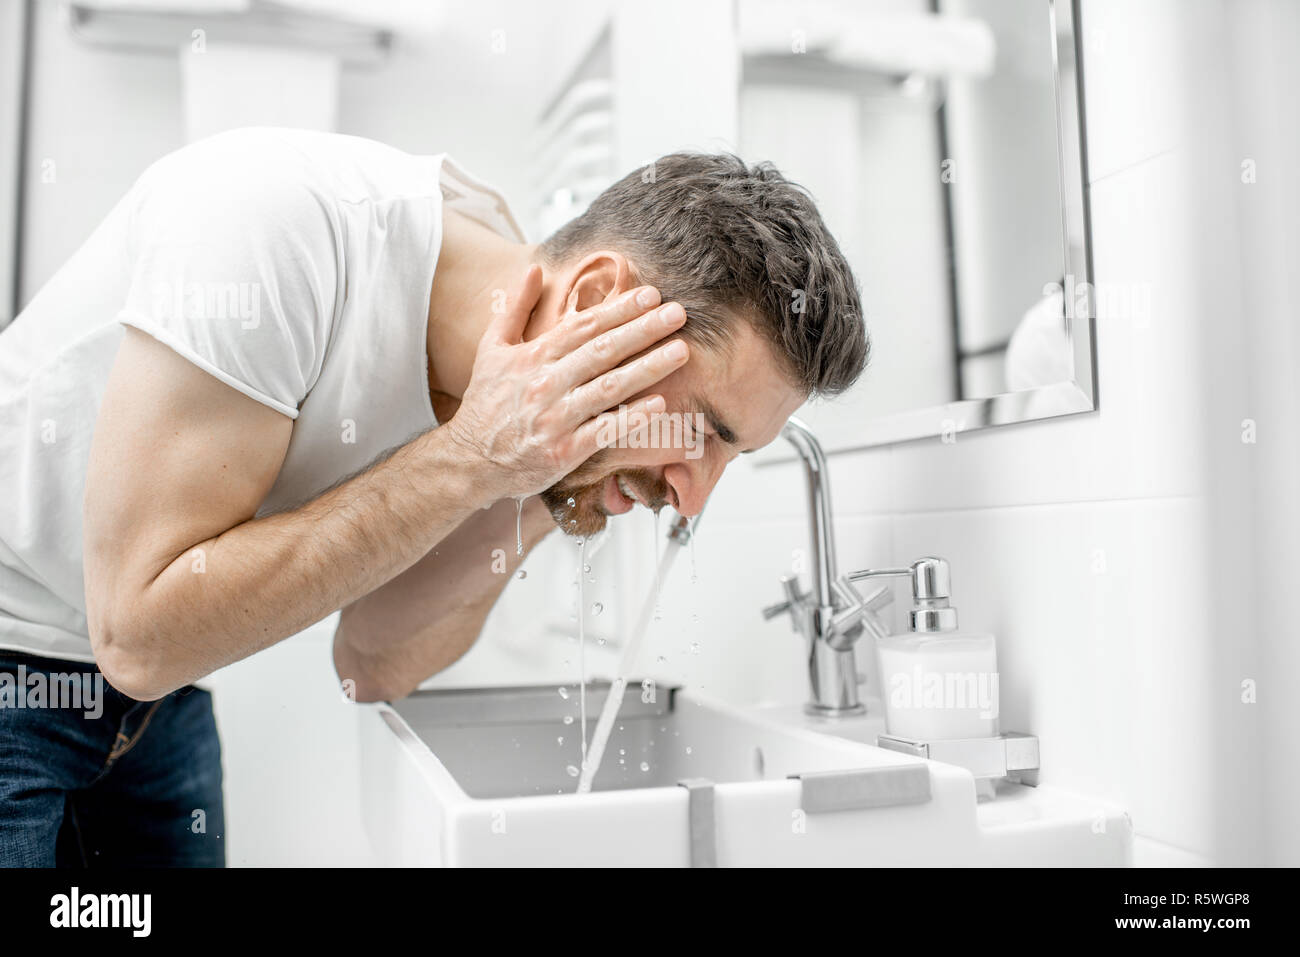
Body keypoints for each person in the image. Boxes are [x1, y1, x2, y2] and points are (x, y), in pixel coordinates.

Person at [0, 127, 868, 866]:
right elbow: (139, 630)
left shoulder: (507, 383)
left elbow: (374, 661)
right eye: (707, 429)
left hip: (158, 704)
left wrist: (545, 485)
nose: (693, 498)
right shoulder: (278, 235)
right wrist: (472, 457)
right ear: (600, 301)